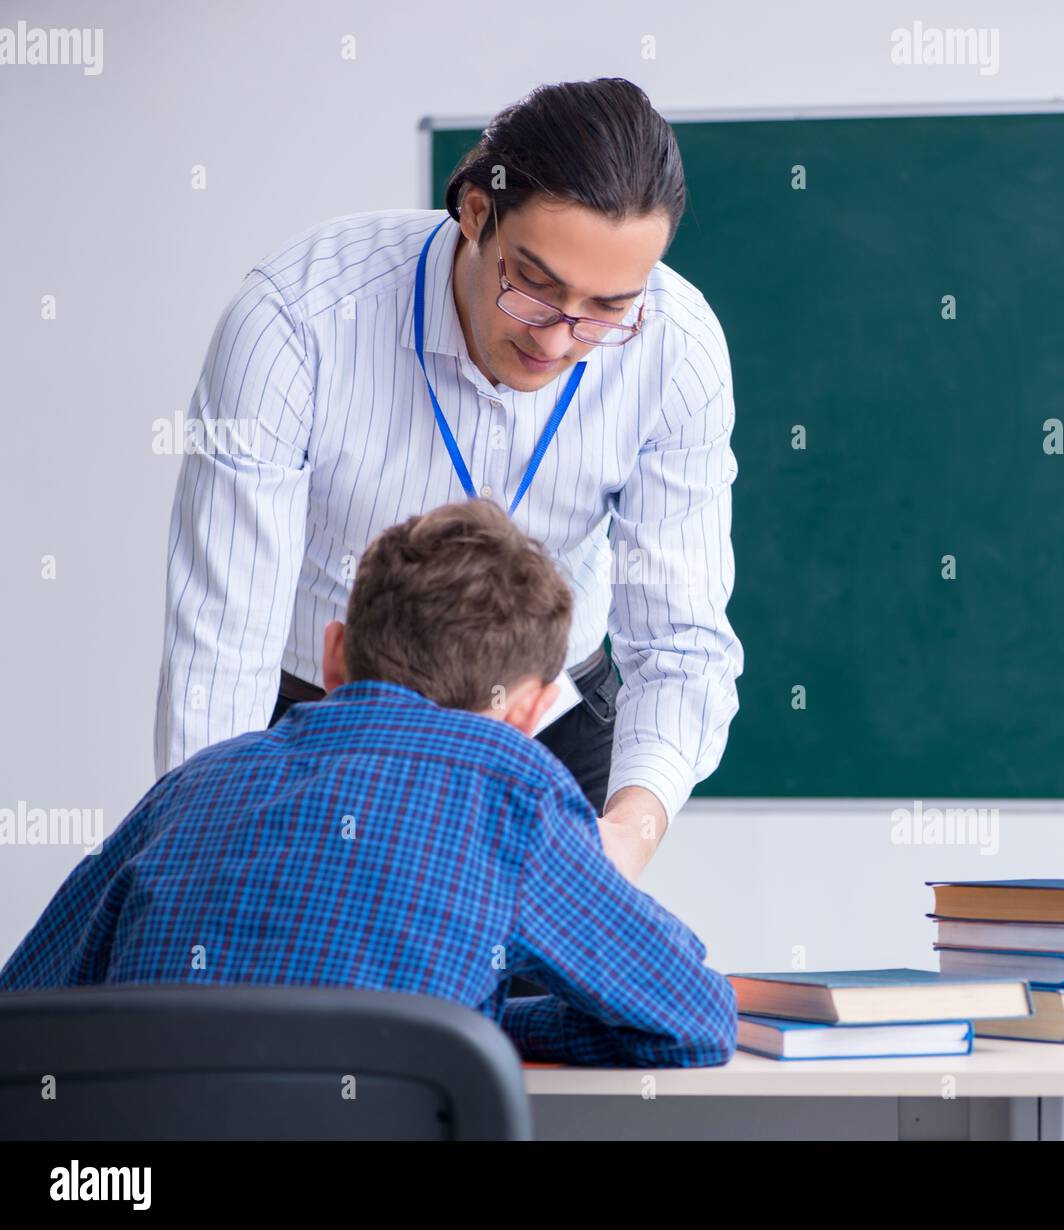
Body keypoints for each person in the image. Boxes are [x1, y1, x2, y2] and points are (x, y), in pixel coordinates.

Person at [154, 77, 743, 882]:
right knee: (309, 989)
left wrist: (628, 836)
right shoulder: (298, 322)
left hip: (549, 723)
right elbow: (221, 645)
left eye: (607, 308)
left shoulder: (676, 351)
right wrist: (206, 864)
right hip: (327, 719)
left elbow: (679, 642)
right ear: (475, 213)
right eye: (534, 286)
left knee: (542, 1007)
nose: (562, 339)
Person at [3, 501, 736, 1068]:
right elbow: (691, 1016)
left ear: (333, 654)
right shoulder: (515, 798)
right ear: (534, 710)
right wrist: (468, 1028)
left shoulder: (193, 787)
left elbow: (22, 1015)